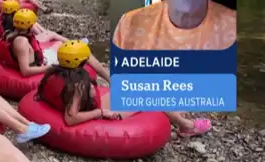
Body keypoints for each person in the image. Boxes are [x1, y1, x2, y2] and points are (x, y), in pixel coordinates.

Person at [37, 40, 211, 136]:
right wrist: (100, 113)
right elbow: (71, 119)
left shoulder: (54, 72)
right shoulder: (78, 84)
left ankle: (174, 113)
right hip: (101, 109)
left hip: (93, 102)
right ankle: (186, 126)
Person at [0, 9, 110, 81]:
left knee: (59, 43)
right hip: (42, 64)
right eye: (33, 24)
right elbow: (25, 71)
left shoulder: (8, 34)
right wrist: (51, 67)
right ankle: (110, 80)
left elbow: (0, 57)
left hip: (41, 58)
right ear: (29, 26)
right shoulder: (22, 41)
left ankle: (96, 62)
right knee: (86, 54)